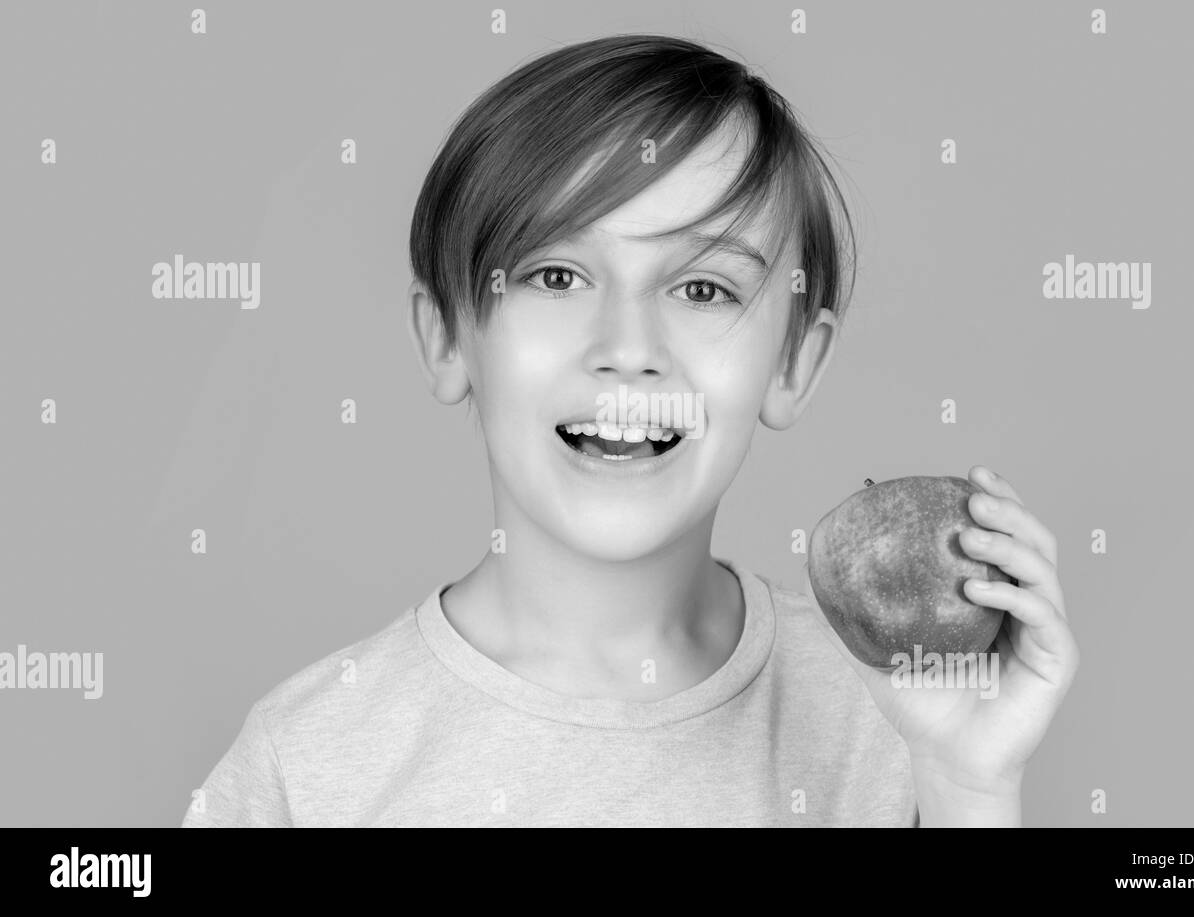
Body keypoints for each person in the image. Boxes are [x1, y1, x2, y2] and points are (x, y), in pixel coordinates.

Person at [183, 34, 1079, 828]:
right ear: (449, 336)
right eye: (556, 276)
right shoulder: (306, 766)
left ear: (794, 361)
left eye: (703, 289)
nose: (627, 349)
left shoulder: (892, 722)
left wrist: (970, 788)